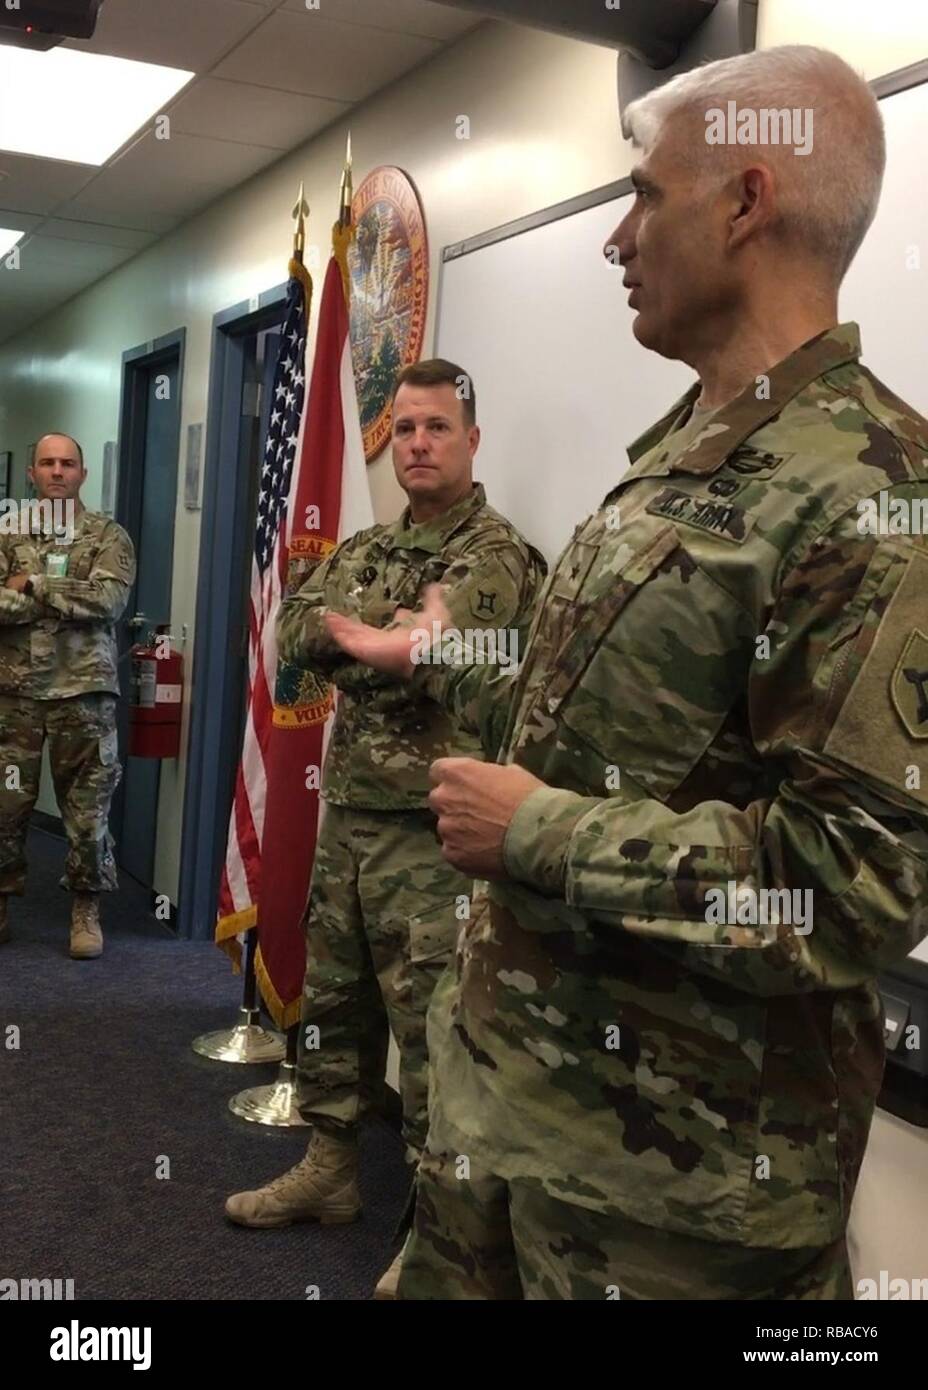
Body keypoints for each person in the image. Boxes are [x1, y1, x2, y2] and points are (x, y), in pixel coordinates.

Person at [325, 47, 928, 1299]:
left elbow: (849, 887)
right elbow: (609, 724)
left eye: (645, 194)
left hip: (677, 1199)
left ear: (746, 203)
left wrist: (542, 833)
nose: (615, 236)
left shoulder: (877, 494)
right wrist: (459, 661)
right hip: (515, 1108)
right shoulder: (688, 453)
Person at [224, 359, 546, 1294]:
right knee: (335, 1005)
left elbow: (435, 656)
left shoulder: (499, 558)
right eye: (403, 429)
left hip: (439, 835)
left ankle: (433, 1229)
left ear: (472, 439)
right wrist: (385, 641)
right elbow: (296, 635)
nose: (417, 444)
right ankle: (329, 1170)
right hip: (351, 815)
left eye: (437, 427)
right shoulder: (365, 547)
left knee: (433, 1031)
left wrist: (378, 643)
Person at [0, 433, 136, 958]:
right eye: (48, 463)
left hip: (84, 694)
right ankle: (2, 902)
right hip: (13, 697)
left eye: (69, 464)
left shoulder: (107, 535)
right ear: (31, 474)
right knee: (5, 804)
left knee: (88, 808)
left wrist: (31, 585)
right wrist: (63, 599)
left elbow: (108, 600)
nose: (58, 472)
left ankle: (86, 908)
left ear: (83, 474)